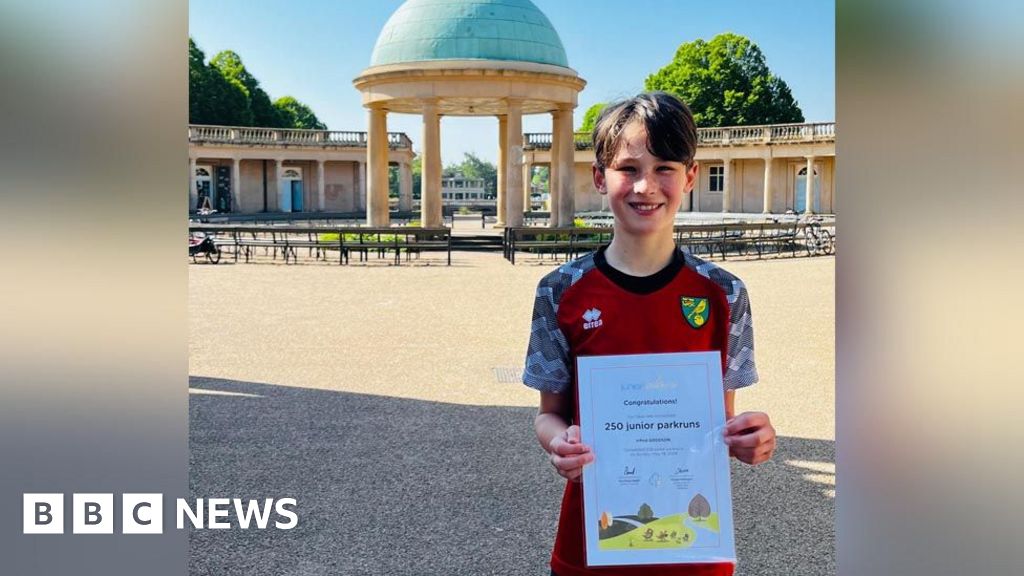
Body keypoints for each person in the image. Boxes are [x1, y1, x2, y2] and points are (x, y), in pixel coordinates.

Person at [522, 92, 776, 576]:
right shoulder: (560, 291)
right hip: (590, 542)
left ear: (691, 176)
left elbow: (718, 423)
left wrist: (751, 438)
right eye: (628, 168)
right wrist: (560, 443)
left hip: (694, 548)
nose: (646, 186)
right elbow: (548, 416)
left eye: (665, 167)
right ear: (600, 177)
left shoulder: (724, 293)